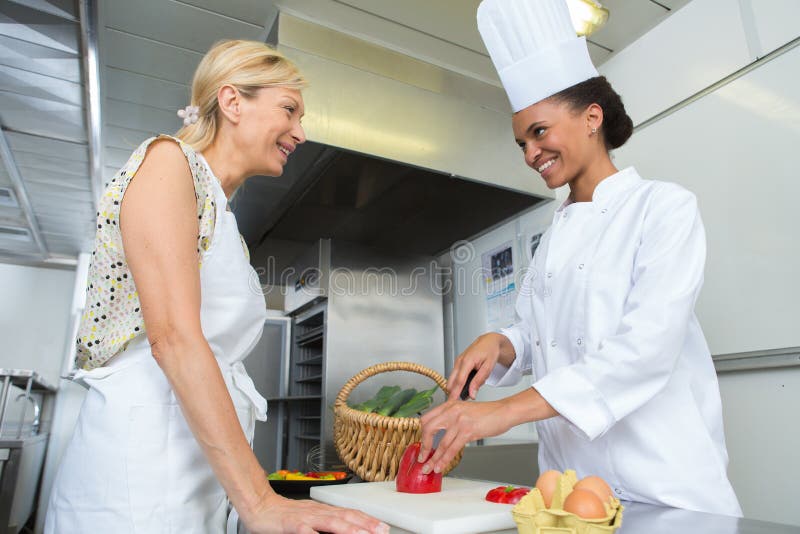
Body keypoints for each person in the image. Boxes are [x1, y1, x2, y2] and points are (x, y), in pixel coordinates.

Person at [45, 40, 388, 534]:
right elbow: (176, 340)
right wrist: (261, 501)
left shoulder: (216, 208)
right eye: (289, 110)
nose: (301, 132)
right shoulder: (168, 162)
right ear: (231, 102)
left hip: (189, 476)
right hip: (138, 481)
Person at [417, 0, 742, 517]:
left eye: (539, 132)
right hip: (571, 492)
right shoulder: (555, 234)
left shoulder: (664, 208)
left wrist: (503, 412)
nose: (529, 153)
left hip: (664, 485)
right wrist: (501, 343)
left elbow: (646, 348)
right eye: (522, 141)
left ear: (593, 118)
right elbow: (537, 332)